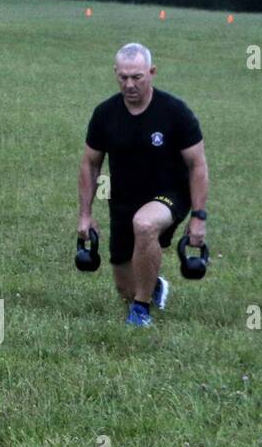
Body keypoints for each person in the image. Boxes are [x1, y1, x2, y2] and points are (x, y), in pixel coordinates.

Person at [78, 43, 209, 327]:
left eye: (137, 77)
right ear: (115, 73)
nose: (129, 84)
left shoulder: (175, 112)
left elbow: (197, 165)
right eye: (123, 77)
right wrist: (85, 216)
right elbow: (90, 163)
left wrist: (199, 217)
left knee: (145, 224)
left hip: (171, 193)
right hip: (123, 199)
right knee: (125, 288)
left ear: (152, 72)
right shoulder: (105, 114)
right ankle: (151, 287)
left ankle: (141, 309)